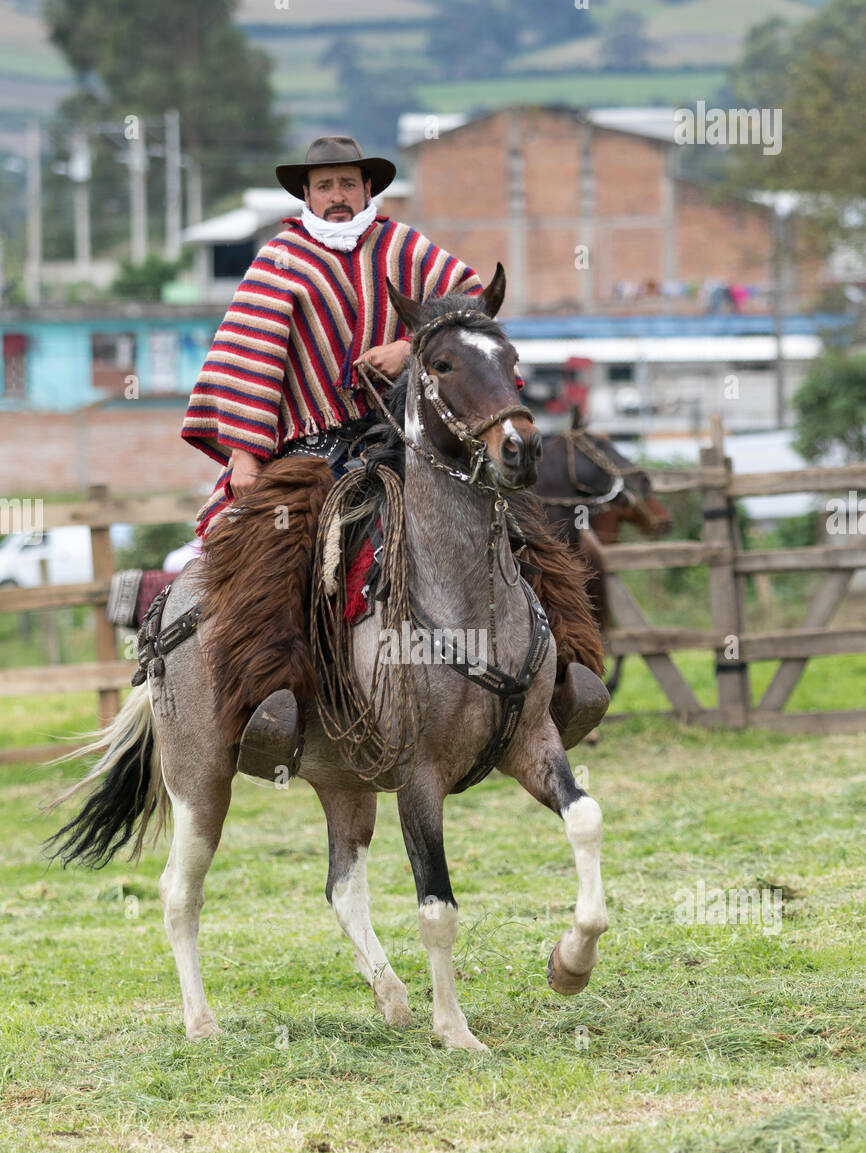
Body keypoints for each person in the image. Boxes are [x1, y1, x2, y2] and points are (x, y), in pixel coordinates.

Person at [182, 136, 606, 777]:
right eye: (323, 186)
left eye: (348, 184)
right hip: (309, 448)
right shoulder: (278, 260)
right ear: (305, 194)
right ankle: (270, 701)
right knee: (277, 548)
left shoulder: (402, 245)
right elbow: (251, 355)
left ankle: (570, 673)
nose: (336, 197)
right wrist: (244, 456)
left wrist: (411, 351)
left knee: (518, 524)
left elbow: (471, 312)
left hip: (406, 442)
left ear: (367, 189)